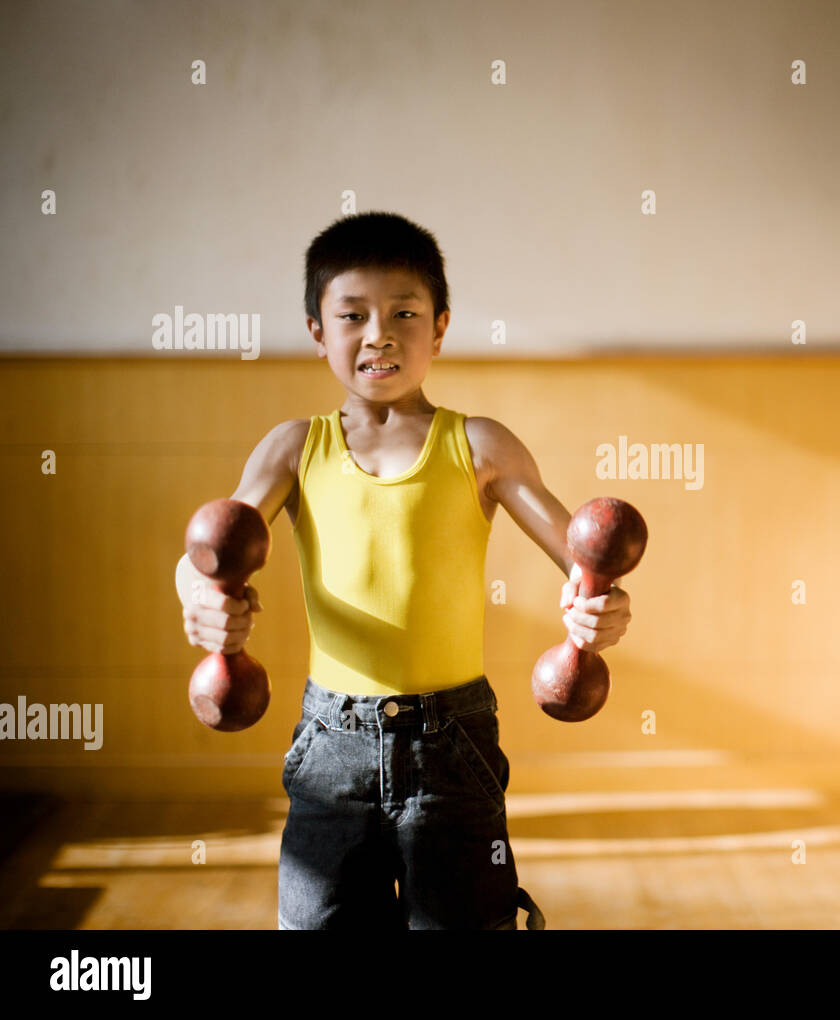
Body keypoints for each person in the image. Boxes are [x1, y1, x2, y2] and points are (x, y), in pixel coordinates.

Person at [173, 211, 633, 929]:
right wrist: (198, 600)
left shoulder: (481, 445)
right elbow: (208, 550)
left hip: (455, 746)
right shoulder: (293, 449)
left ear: (440, 328)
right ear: (317, 331)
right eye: (352, 314)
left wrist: (598, 611)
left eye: (404, 313)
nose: (379, 333)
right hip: (330, 746)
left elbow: (584, 559)